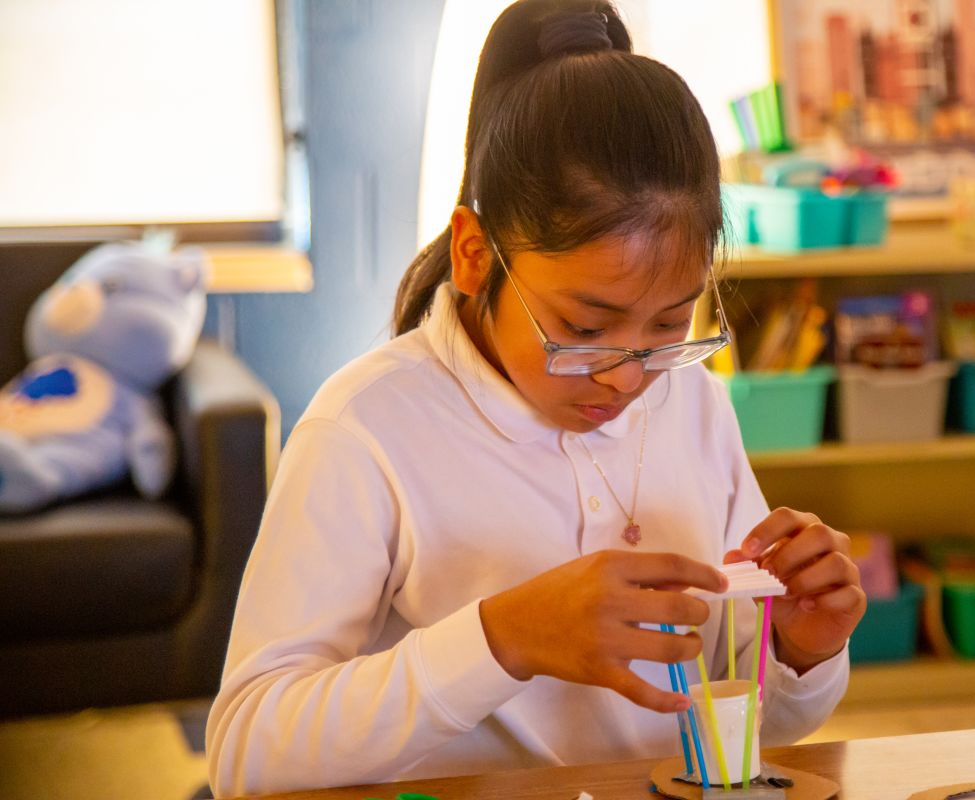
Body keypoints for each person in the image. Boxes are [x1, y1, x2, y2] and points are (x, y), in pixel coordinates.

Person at [205, 1, 866, 796]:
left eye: (670, 323)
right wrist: (502, 638)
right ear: (475, 254)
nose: (628, 376)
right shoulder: (366, 429)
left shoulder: (691, 404)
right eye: (583, 327)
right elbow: (248, 752)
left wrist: (797, 652)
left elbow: (754, 725)